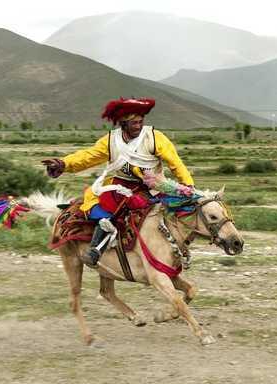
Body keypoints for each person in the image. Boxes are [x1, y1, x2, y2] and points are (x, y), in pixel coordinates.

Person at [42, 98, 194, 267]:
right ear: (123, 124)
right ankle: (96, 249)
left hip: (153, 186)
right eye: (133, 123)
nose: (138, 126)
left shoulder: (154, 138)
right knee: (105, 207)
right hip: (121, 185)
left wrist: (187, 184)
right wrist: (64, 164)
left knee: (184, 209)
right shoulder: (110, 140)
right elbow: (87, 157)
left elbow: (175, 163)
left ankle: (181, 248)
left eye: (140, 122)